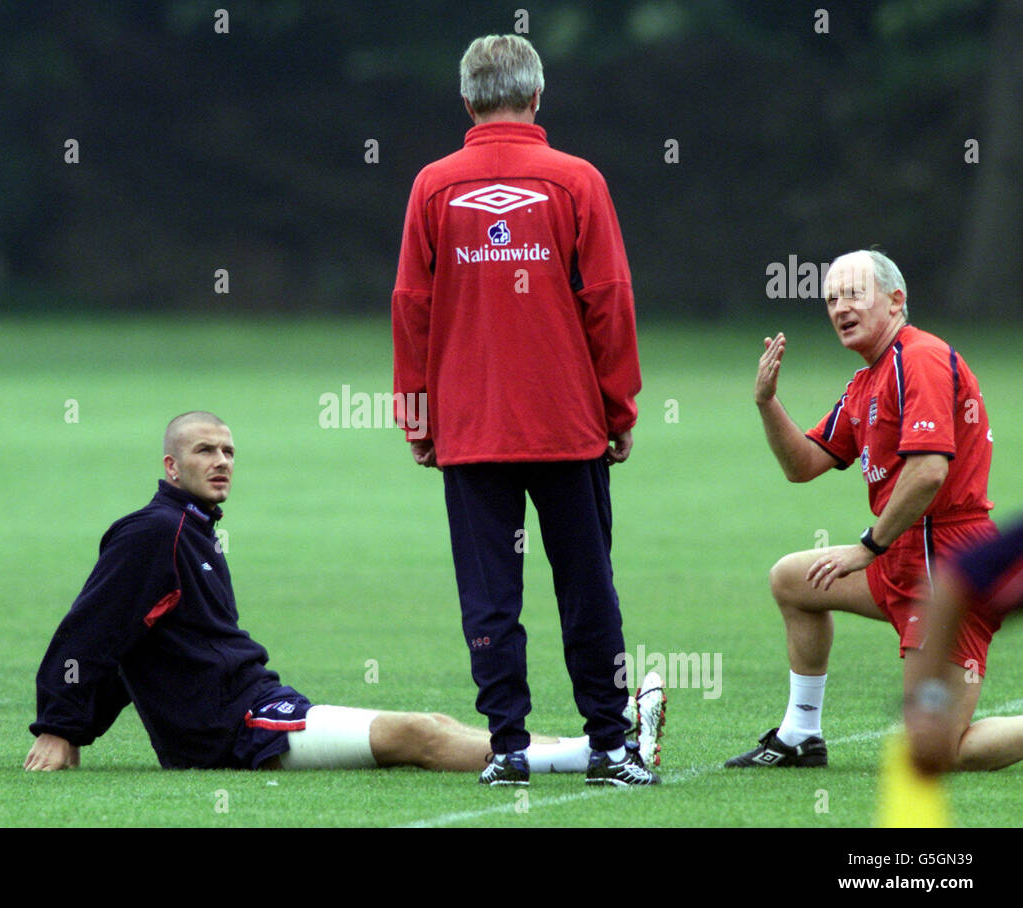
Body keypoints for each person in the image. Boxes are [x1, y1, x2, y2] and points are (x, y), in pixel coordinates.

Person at [24, 412, 661, 780]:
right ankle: (601, 750)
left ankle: (605, 743)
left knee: (431, 727)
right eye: (203, 451)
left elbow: (127, 638)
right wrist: (61, 728)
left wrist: (81, 726)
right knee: (419, 733)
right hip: (235, 732)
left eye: (228, 451)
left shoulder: (193, 530)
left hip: (257, 708)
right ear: (170, 467)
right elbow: (92, 633)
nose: (220, 461)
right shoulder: (154, 532)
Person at [390, 35, 660, 787]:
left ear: (467, 101)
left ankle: (506, 747)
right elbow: (610, 300)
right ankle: (609, 743)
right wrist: (620, 406)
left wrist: (418, 416)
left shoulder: (433, 186)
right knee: (586, 583)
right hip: (567, 423)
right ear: (538, 96)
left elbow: (411, 307)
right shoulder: (577, 180)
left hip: (471, 430)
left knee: (490, 595)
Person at [727, 249, 1023, 771]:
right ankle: (800, 735)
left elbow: (928, 471)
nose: (840, 306)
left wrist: (867, 547)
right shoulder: (868, 380)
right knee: (794, 581)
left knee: (934, 750)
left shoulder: (920, 358)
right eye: (831, 298)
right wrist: (767, 402)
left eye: (853, 293)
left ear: (895, 300)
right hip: (903, 552)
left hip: (945, 561)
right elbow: (803, 464)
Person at [905, 515, 1023, 774]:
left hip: (933, 549)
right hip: (908, 557)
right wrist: (930, 704)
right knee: (947, 748)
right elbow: (956, 582)